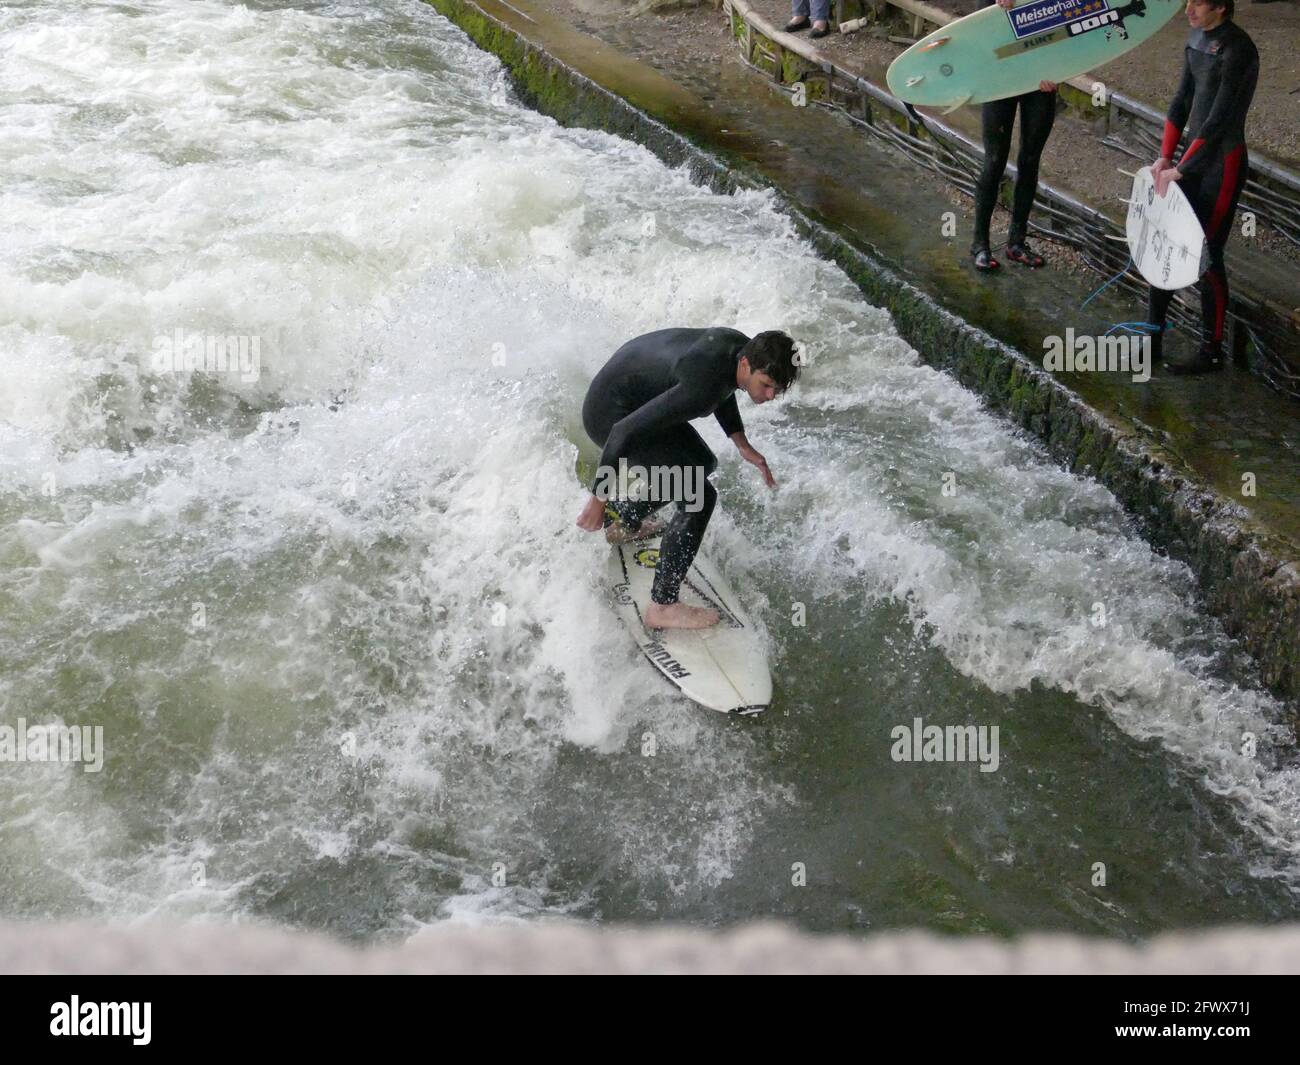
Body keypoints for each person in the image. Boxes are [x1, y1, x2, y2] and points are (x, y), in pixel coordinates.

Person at [575, 328, 800, 630]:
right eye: (767, 385)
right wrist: (597, 500)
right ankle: (663, 606)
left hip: (634, 399)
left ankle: (624, 520)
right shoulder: (701, 386)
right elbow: (622, 432)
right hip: (609, 415)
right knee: (699, 496)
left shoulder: (738, 350)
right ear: (746, 366)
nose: (771, 396)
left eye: (777, 390)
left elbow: (723, 386)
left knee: (702, 462)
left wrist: (741, 443)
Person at [1148, 0, 1259, 374]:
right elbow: (1181, 101)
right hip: (1189, 160)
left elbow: (1219, 118)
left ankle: (1212, 350)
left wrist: (1184, 166)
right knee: (1163, 242)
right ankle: (1153, 337)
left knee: (1207, 253)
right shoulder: (1196, 38)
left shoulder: (1238, 49)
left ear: (1221, 7)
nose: (1187, 11)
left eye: (1196, 3)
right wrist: (1166, 157)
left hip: (1221, 163)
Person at [970, 0, 1059, 272]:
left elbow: (1066, 18)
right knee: (995, 160)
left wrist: (1062, 67)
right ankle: (980, 244)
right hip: (1000, 71)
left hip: (1041, 73)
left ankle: (1016, 243)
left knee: (1030, 159)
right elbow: (976, 26)